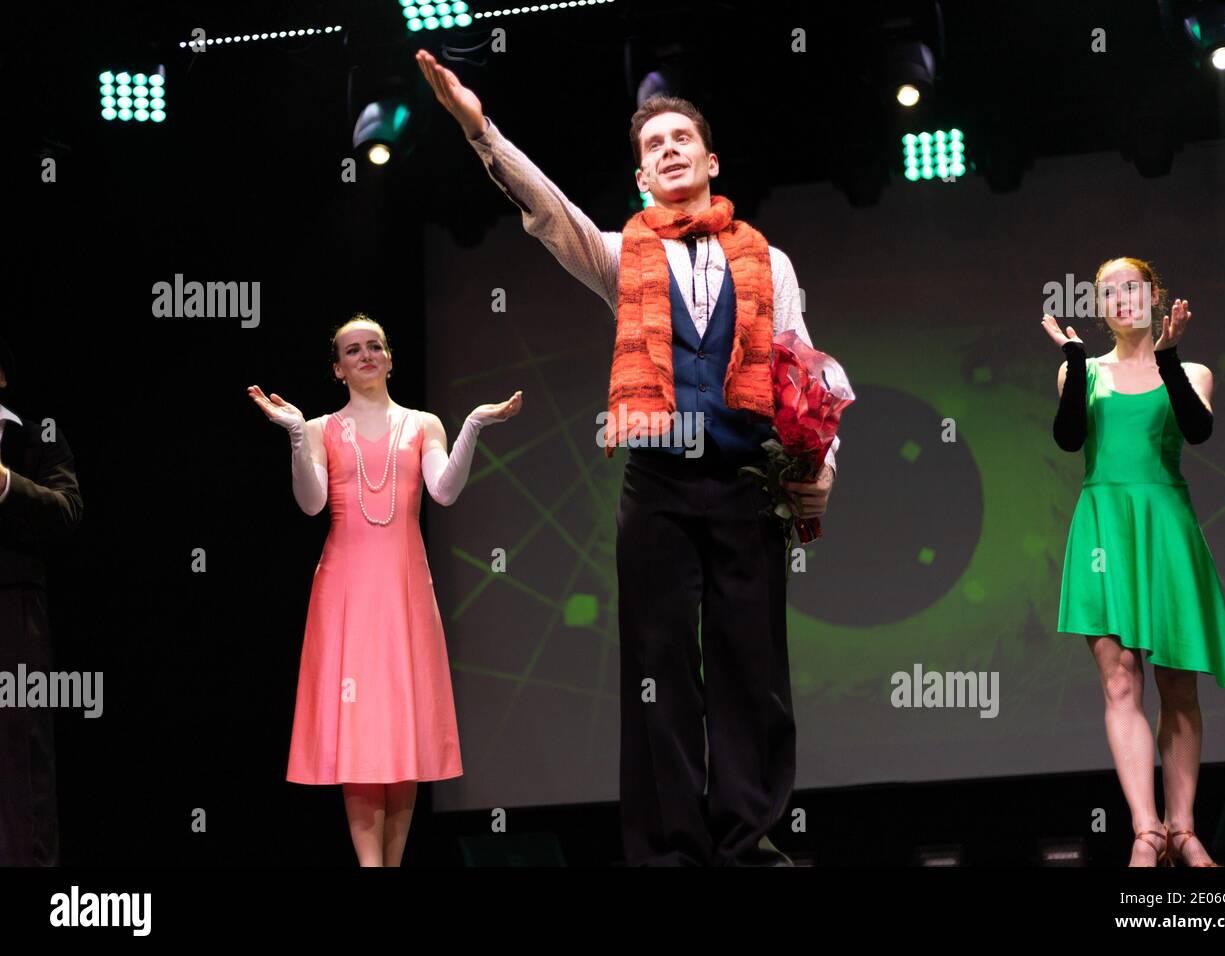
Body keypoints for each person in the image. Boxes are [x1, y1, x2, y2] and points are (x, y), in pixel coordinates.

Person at [416, 50, 841, 866]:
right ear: (642, 173)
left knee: (751, 666)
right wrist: (480, 132)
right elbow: (552, 215)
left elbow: (806, 371)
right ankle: (672, 847)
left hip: (750, 483)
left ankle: (746, 836)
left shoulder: (769, 261)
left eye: (683, 138)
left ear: (711, 162)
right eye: (655, 144)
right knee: (660, 668)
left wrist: (822, 468)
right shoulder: (623, 256)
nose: (671, 149)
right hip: (659, 486)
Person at [248, 314, 522, 866]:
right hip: (346, 590)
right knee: (360, 730)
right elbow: (311, 503)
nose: (366, 355)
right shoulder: (324, 428)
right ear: (337, 368)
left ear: (391, 358)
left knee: (402, 728)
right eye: (353, 351)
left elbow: (443, 492)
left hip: (404, 590)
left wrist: (470, 425)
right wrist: (299, 434)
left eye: (375, 346)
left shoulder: (423, 424)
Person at [1045, 257, 1225, 868]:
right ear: (1100, 306)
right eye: (1108, 293)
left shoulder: (1194, 370)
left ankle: (1184, 831)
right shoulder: (1081, 370)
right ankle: (1146, 831)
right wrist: (1076, 364)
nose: (1121, 299)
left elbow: (1197, 431)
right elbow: (1070, 438)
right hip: (1105, 525)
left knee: (1177, 684)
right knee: (1120, 681)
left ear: (1154, 296)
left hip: (1164, 526)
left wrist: (1171, 355)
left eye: (1132, 288)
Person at [0, 333, 84, 865]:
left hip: (10, 610)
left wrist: (6, 482)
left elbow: (67, 511)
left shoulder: (36, 439)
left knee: (19, 762)